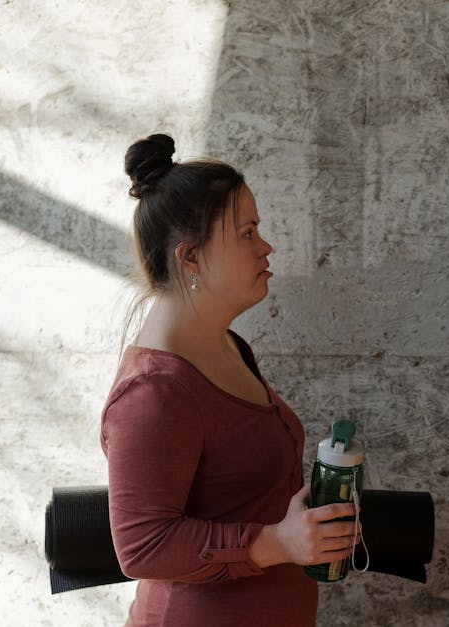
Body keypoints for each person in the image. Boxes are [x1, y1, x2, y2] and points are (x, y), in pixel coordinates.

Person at [101, 133, 358, 626]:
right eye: (246, 233)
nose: (266, 246)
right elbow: (143, 546)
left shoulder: (227, 346)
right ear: (190, 257)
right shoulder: (153, 392)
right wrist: (276, 543)